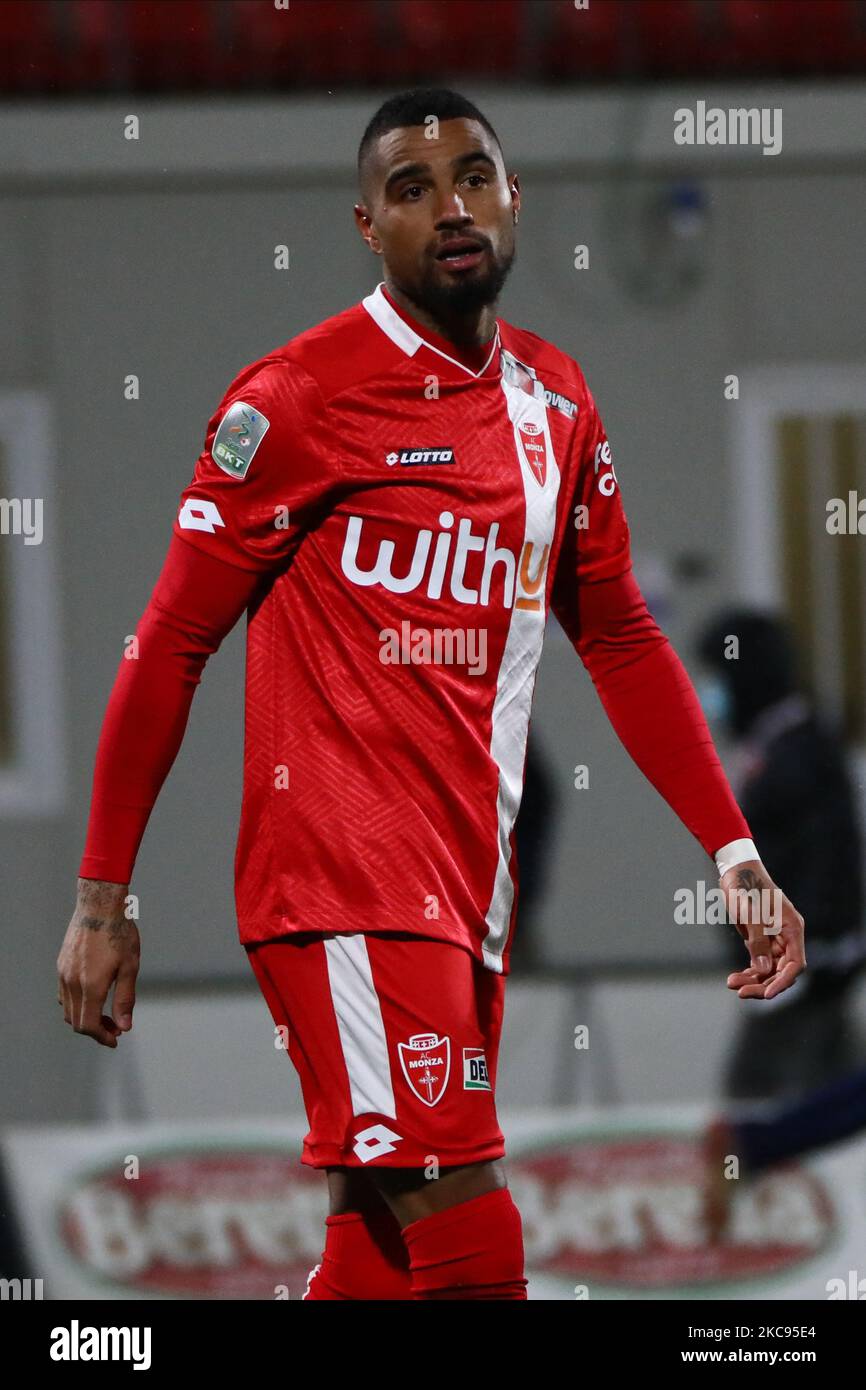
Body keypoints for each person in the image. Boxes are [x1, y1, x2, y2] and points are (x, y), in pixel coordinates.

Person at [58, 88, 806, 1301]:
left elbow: (615, 633)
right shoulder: (292, 400)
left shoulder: (555, 404)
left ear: (516, 201)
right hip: (339, 880)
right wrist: (102, 895)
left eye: (472, 176)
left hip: (468, 888)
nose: (449, 207)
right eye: (411, 189)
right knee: (474, 1237)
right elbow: (169, 641)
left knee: (378, 1247)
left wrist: (730, 849)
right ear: (366, 225)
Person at [697, 609, 865, 1102]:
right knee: (823, 1113)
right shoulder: (783, 750)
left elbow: (820, 870)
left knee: (758, 1117)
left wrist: (801, 963)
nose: (711, 696)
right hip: (801, 981)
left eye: (717, 677)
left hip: (799, 985)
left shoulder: (798, 755)